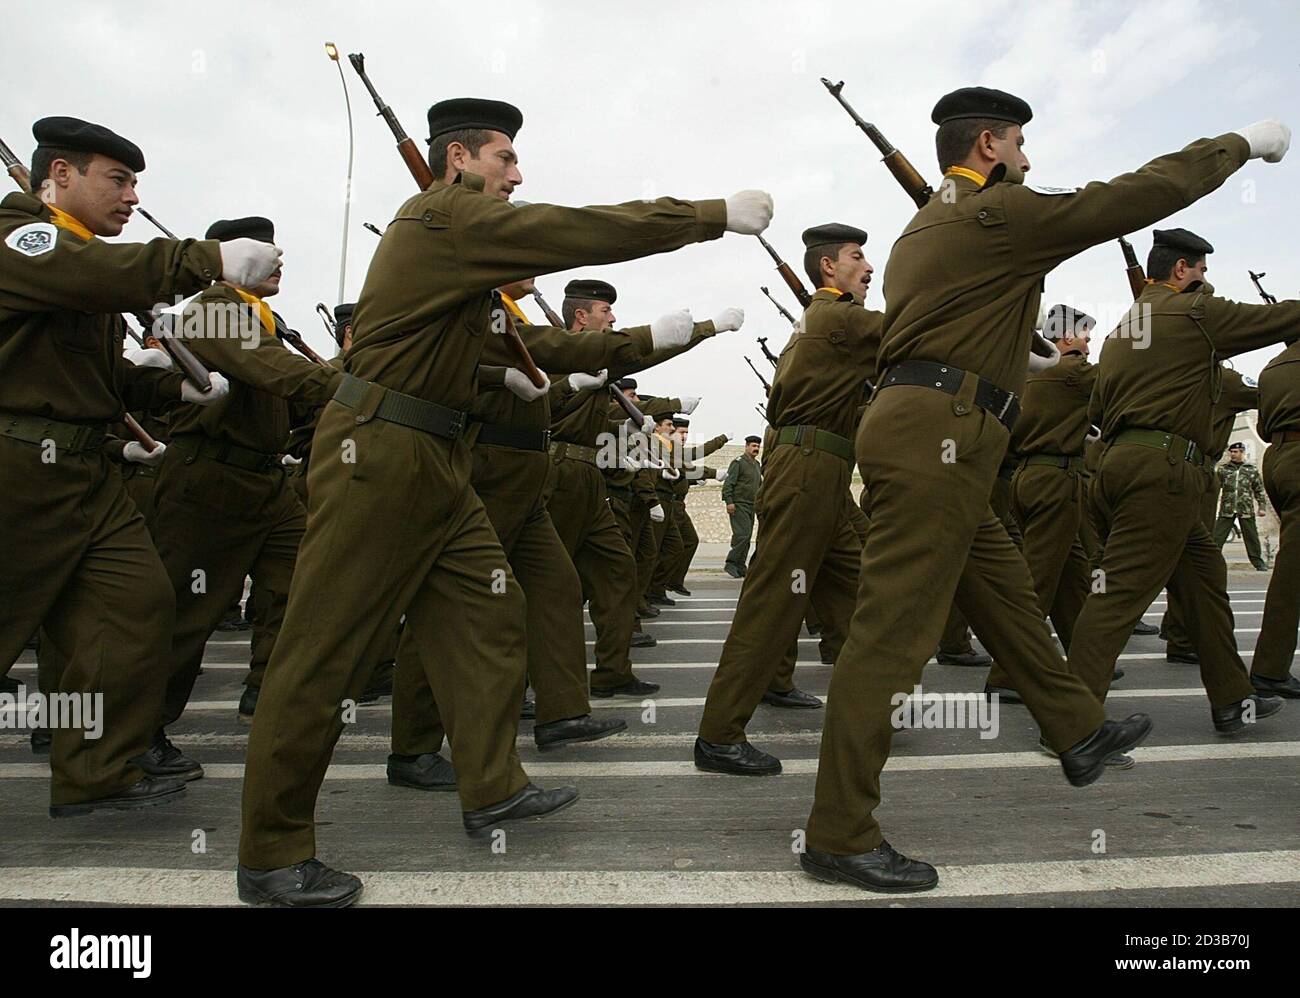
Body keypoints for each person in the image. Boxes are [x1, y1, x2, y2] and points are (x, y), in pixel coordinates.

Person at [236, 94, 773, 906]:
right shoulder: (445, 219)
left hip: (439, 461)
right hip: (381, 453)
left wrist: (665, 337)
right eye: (505, 160)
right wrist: (705, 215)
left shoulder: (462, 254)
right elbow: (576, 229)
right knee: (322, 652)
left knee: (491, 616)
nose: (517, 176)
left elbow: (542, 345)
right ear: (459, 160)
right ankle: (271, 852)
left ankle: (490, 783)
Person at [804, 88, 1289, 893]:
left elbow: (948, 322)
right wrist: (1240, 143)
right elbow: (1136, 193)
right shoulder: (996, 215)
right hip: (939, 438)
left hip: (949, 434)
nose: (1030, 159)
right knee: (891, 639)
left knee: (1010, 597)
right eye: (1021, 144)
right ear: (990, 145)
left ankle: (1077, 728)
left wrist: (1023, 363)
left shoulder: (927, 225)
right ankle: (837, 830)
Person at [0, 115, 269, 815]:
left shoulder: (76, 259)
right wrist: (206, 259)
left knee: (135, 608)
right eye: (116, 179)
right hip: (20, 470)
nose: (130, 195)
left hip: (89, 476)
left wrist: (164, 384)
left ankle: (95, 771)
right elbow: (100, 272)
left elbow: (97, 382)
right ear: (60, 175)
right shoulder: (24, 238)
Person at [1070, 226, 1296, 736]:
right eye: (1202, 272)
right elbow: (1280, 318)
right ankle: (1071, 720)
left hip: (1124, 466)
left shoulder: (1121, 330)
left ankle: (1234, 701)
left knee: (1205, 584)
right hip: (1163, 475)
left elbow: (1099, 410)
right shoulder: (1194, 313)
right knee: (1118, 597)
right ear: (1181, 270)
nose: (1205, 282)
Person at [697, 223, 876, 773]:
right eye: (857, 257)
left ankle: (867, 705)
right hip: (809, 471)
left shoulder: (816, 321)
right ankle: (719, 734)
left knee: (855, 582)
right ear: (828, 267)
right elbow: (921, 332)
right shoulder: (840, 318)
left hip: (822, 472)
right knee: (772, 601)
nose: (869, 268)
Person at [1252, 338, 1300, 697]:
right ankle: (1270, 669)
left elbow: (1263, 428)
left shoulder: (1272, 368)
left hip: (1279, 457)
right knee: (1292, 569)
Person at [1212, 442, 1270, 569]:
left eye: (1236, 452)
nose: (1232, 454)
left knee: (1252, 537)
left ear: (1242, 452)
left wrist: (1262, 507)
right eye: (1231, 452)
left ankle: (1258, 562)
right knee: (1217, 537)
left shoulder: (1251, 470)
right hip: (1227, 508)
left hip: (1246, 508)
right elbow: (1215, 488)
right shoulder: (1223, 470)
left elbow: (1258, 489)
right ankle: (1212, 562)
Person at [722, 435, 762, 577]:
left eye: (757, 446)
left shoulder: (757, 465)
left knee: (747, 536)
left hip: (752, 505)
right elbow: (728, 484)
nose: (755, 448)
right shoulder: (738, 463)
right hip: (739, 504)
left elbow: (760, 486)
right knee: (742, 534)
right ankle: (731, 563)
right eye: (753, 446)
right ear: (746, 447)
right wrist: (729, 502)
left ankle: (740, 566)